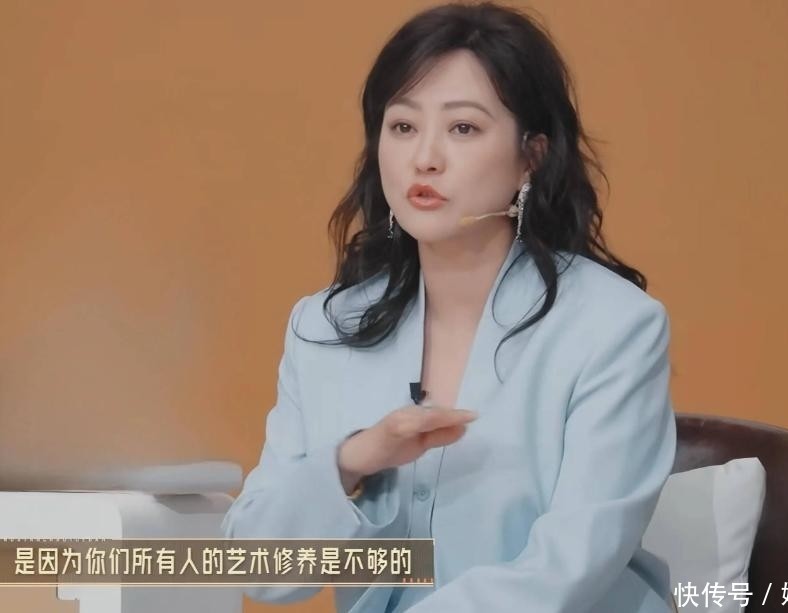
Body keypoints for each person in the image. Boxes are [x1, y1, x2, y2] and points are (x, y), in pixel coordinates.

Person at [221, 2, 677, 611]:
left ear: (532, 155)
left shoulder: (614, 327)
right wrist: (353, 460)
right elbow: (259, 568)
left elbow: (570, 567)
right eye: (403, 127)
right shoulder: (324, 328)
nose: (425, 158)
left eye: (463, 128)